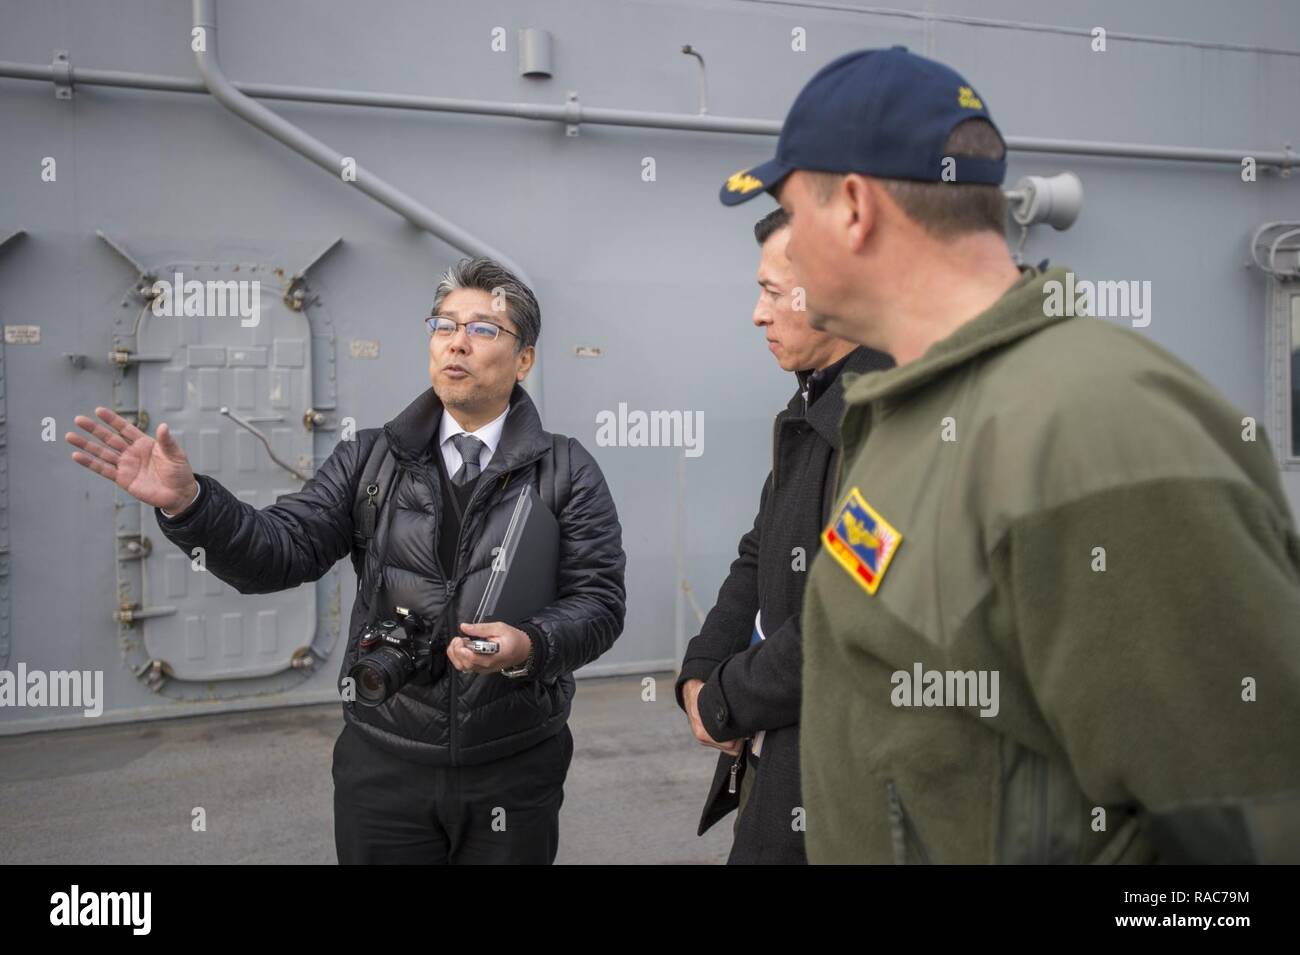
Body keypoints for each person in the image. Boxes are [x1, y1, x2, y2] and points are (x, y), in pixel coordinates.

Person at [719, 45, 1300, 863]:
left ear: (853, 208)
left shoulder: (1099, 428)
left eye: (790, 212)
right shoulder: (911, 416)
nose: (780, 262)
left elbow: (1246, 847)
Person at [66, 256, 627, 864]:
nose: (456, 343)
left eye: (483, 329)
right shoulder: (369, 461)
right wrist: (191, 505)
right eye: (442, 326)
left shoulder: (567, 472)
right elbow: (280, 552)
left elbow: (599, 604)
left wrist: (530, 646)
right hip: (384, 763)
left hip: (514, 766)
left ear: (524, 359)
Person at [676, 207, 892, 863]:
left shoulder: (889, 424)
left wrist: (727, 701)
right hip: (778, 762)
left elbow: (845, 617)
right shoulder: (808, 408)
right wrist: (701, 669)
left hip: (846, 790)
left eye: (771, 291)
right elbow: (758, 553)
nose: (757, 314)